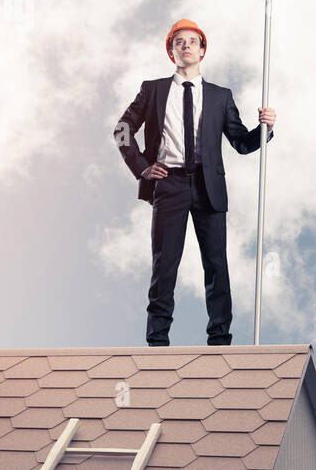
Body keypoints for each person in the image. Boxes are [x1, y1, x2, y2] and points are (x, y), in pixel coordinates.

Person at [113, 18, 276, 346]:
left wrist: (265, 130)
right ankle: (157, 341)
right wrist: (143, 168)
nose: (186, 46)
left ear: (203, 50)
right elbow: (122, 129)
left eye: (192, 41)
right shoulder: (153, 89)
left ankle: (220, 339)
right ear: (171, 52)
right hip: (169, 185)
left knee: (216, 265)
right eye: (179, 42)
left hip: (208, 187)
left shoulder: (220, 96)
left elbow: (241, 143)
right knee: (165, 263)